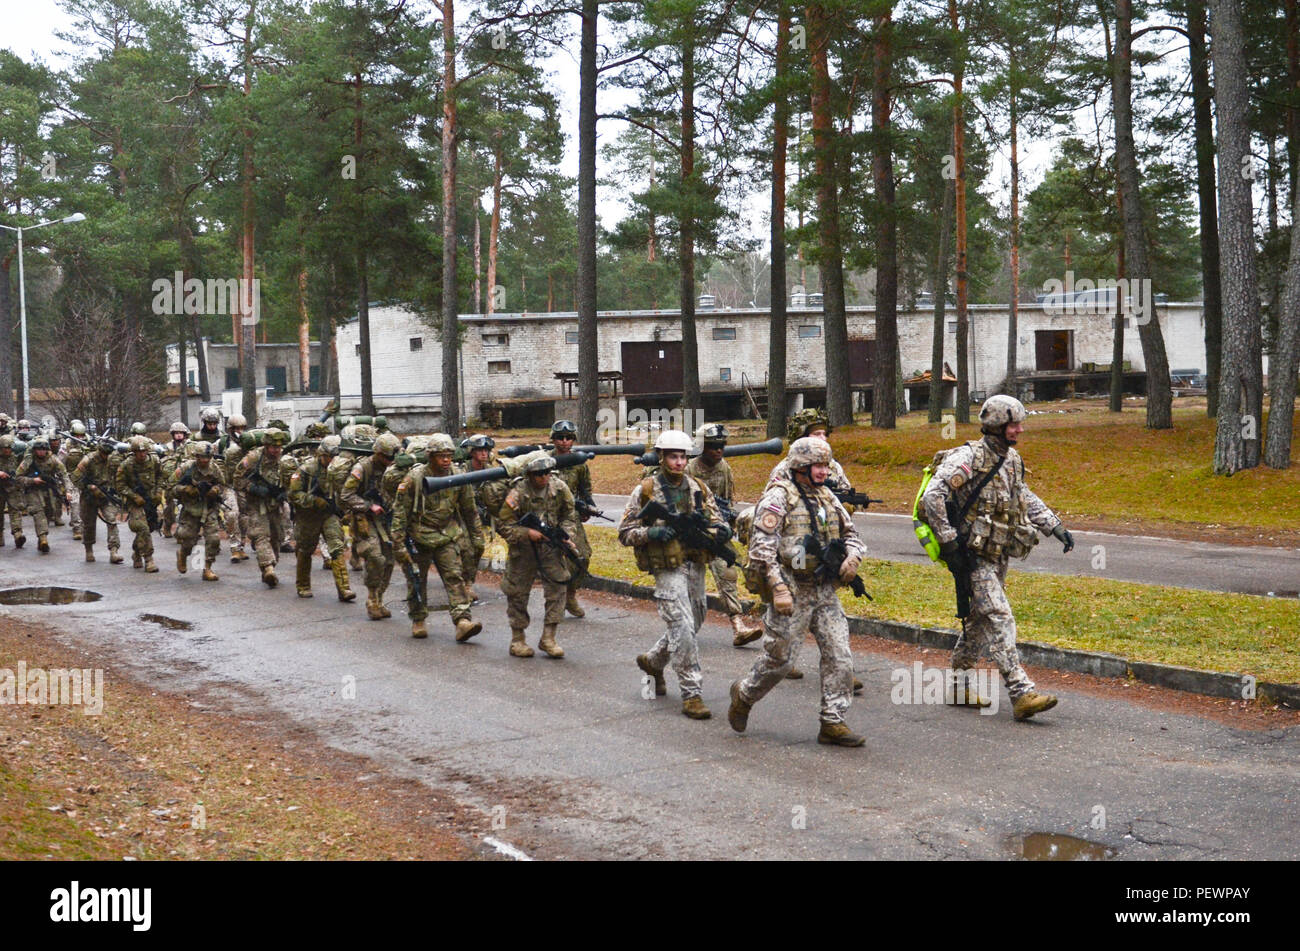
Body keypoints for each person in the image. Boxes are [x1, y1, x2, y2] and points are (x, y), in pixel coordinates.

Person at [918, 394, 1074, 721]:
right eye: (1014, 424)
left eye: (1019, 424)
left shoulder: (1012, 459)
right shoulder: (968, 458)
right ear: (997, 426)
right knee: (999, 615)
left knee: (977, 622)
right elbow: (933, 496)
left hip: (997, 551)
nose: (1019, 429)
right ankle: (1021, 692)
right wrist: (949, 543)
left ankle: (959, 687)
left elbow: (1022, 495)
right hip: (970, 555)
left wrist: (1053, 525)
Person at [727, 437, 868, 747]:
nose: (823, 472)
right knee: (779, 661)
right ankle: (745, 693)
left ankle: (832, 721)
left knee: (840, 655)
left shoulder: (828, 497)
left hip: (824, 589)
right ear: (800, 467)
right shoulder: (778, 499)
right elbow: (762, 551)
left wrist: (853, 557)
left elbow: (853, 535)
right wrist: (778, 588)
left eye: (825, 466)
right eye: (817, 466)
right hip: (791, 587)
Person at [619, 429, 730, 720]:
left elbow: (717, 520)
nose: (679, 463)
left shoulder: (698, 488)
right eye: (673, 457)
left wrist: (720, 532)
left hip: (695, 562)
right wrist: (651, 532)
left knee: (697, 618)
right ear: (661, 457)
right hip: (667, 567)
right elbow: (625, 533)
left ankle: (654, 660)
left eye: (683, 457)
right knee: (681, 625)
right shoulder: (645, 491)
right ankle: (692, 693)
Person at [390, 434, 484, 641]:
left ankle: (462, 620)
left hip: (446, 534)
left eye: (449, 455)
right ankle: (418, 618)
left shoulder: (459, 476)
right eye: (441, 456)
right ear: (430, 457)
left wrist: (477, 537)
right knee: (417, 580)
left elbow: (470, 510)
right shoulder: (414, 479)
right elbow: (399, 515)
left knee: (454, 577)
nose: (446, 460)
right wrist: (398, 545)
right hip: (418, 536)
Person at [686, 423, 764, 646]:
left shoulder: (724, 468)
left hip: (718, 531)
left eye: (721, 446)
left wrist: (729, 522)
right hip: (693, 534)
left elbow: (727, 499)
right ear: (702, 447)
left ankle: (738, 624)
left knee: (728, 572)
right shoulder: (689, 469)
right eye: (713, 446)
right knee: (691, 585)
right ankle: (684, 628)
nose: (718, 450)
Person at [496, 455, 581, 658]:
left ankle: (548, 638)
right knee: (517, 591)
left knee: (558, 587)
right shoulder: (518, 493)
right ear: (529, 475)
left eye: (547, 472)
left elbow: (570, 515)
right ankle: (518, 639)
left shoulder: (559, 488)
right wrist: (527, 534)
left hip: (551, 547)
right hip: (524, 550)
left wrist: (566, 535)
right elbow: (503, 524)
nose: (544, 477)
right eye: (539, 474)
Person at [287, 435, 356, 601]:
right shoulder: (307, 469)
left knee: (337, 548)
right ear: (322, 455)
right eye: (330, 457)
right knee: (305, 550)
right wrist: (314, 500)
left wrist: (345, 511)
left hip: (329, 515)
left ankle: (344, 589)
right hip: (308, 516)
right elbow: (293, 494)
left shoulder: (341, 470)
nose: (333, 461)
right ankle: (303, 585)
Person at [341, 432, 401, 619]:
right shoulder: (362, 468)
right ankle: (372, 599)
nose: (390, 461)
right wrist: (368, 505)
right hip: (366, 520)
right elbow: (346, 495)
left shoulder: (395, 468)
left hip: (388, 519)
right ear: (378, 453)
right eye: (387, 457)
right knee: (376, 557)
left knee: (390, 561)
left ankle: (380, 599)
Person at [234, 428, 292, 587]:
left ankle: (270, 566)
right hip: (256, 503)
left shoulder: (285, 460)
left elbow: (293, 480)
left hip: (276, 504)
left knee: (277, 537)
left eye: (279, 447)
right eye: (273, 447)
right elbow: (237, 479)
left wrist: (285, 493)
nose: (276, 450)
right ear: (266, 446)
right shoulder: (253, 458)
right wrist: (253, 488)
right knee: (261, 535)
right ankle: (267, 568)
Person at [548, 420, 593, 619]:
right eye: (560, 438)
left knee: (582, 556)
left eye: (568, 438)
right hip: (548, 516)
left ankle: (571, 596)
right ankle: (555, 602)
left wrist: (587, 506)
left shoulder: (579, 463)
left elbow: (586, 490)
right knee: (554, 561)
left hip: (571, 516)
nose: (564, 442)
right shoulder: (545, 461)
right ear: (553, 439)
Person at [455, 434, 506, 602]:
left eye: (486, 450)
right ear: (471, 452)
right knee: (468, 548)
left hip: (487, 512)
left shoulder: (493, 469)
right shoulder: (461, 470)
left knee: (480, 546)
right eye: (480, 450)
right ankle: (466, 583)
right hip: (464, 514)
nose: (484, 454)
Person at [170, 441, 225, 581]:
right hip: (191, 509)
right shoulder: (186, 468)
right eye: (201, 457)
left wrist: (215, 490)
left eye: (208, 457)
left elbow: (223, 485)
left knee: (213, 539)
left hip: (209, 508)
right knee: (188, 539)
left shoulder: (215, 469)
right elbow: (171, 488)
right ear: (196, 456)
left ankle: (207, 568)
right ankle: (183, 553)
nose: (205, 460)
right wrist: (186, 489)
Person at [114, 435, 165, 571]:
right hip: (134, 503)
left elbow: (161, 477)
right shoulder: (126, 465)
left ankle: (137, 552)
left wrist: (159, 492)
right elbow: (119, 485)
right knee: (143, 528)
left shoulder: (155, 461)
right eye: (138, 452)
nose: (141, 455)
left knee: (150, 527)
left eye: (144, 451)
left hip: (151, 500)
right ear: (133, 452)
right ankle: (149, 559)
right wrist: (133, 496)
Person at [73, 438, 124, 563]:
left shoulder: (112, 459)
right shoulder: (88, 460)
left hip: (105, 494)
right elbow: (75, 478)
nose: (105, 456)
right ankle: (89, 550)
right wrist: (89, 487)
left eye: (108, 454)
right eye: (103, 454)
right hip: (89, 496)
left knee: (111, 520)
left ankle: (114, 551)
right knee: (89, 524)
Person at [16, 436, 69, 554]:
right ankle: (43, 538)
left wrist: (68, 490)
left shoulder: (53, 459)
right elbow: (18, 477)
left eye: (43, 449)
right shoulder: (28, 461)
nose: (41, 452)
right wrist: (32, 480)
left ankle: (41, 539)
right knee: (38, 512)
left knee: (49, 513)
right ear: (34, 450)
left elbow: (64, 474)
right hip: (33, 490)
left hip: (48, 489)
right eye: (38, 450)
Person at [218, 413, 250, 562]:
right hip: (227, 484)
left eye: (242, 428)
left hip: (244, 485)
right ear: (230, 429)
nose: (240, 431)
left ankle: (242, 545)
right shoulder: (222, 443)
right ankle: (235, 547)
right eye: (237, 428)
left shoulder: (249, 444)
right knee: (232, 514)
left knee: (245, 517)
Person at [160, 421, 191, 537]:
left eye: (180, 433)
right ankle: (167, 526)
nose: (178, 435)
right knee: (169, 508)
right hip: (171, 482)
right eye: (176, 433)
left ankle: (187, 529)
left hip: (185, 481)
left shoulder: (189, 447)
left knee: (188, 506)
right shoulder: (167, 448)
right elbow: (162, 464)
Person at [61, 421, 90, 540]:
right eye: (76, 435)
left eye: (81, 435)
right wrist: (64, 481)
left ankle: (86, 525)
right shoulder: (65, 446)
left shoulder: (89, 444)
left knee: (87, 504)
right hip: (72, 478)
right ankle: (77, 529)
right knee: (75, 503)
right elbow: (61, 464)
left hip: (86, 478)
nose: (79, 438)